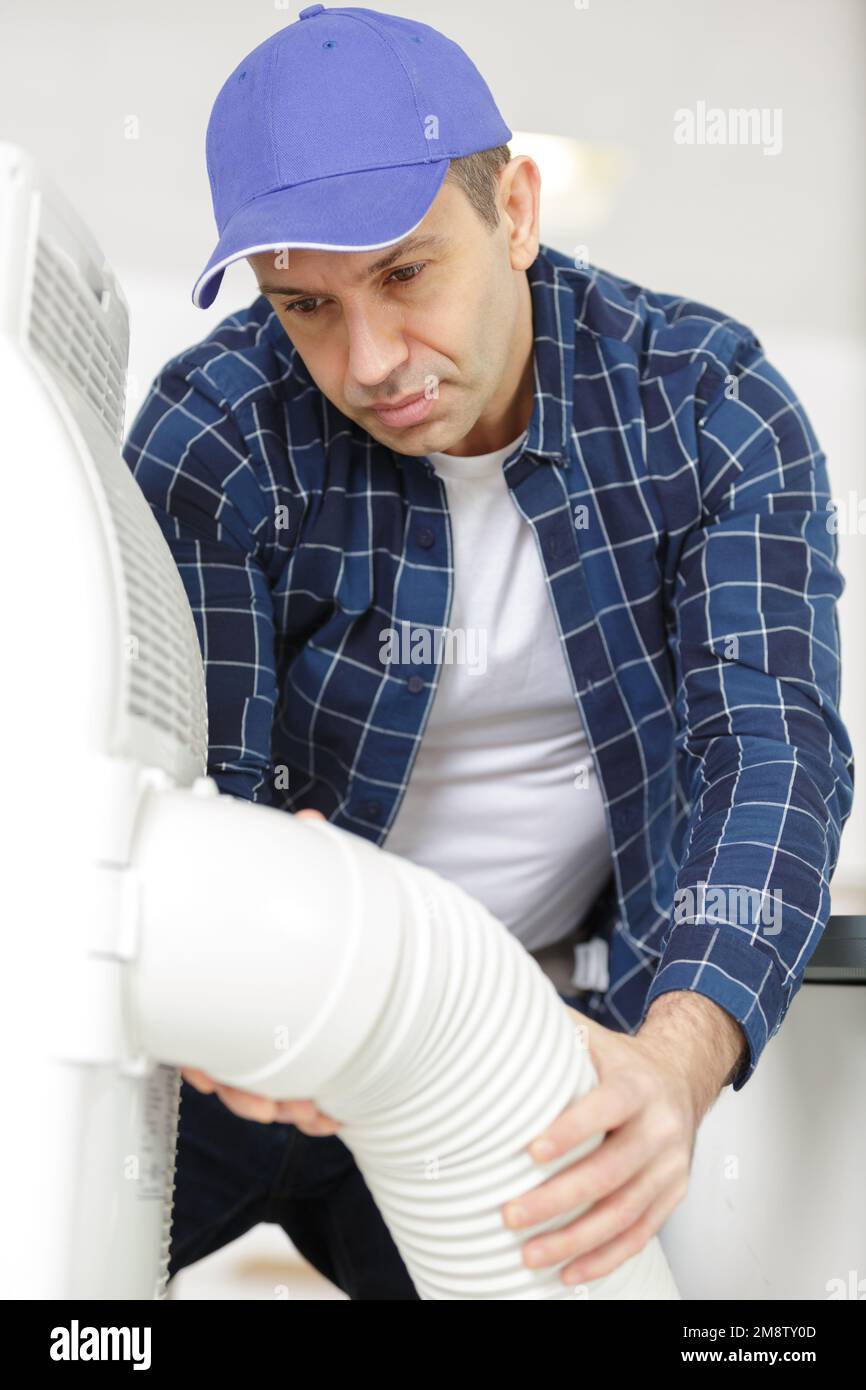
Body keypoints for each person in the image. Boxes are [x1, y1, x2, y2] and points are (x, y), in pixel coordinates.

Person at [122, 6, 854, 1299]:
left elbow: (768, 744)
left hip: (499, 1041)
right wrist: (224, 962)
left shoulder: (709, 410)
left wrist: (676, 1058)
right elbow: (199, 783)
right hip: (249, 1035)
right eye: (304, 306)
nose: (370, 362)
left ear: (513, 210)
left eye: (405, 275)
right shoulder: (215, 438)